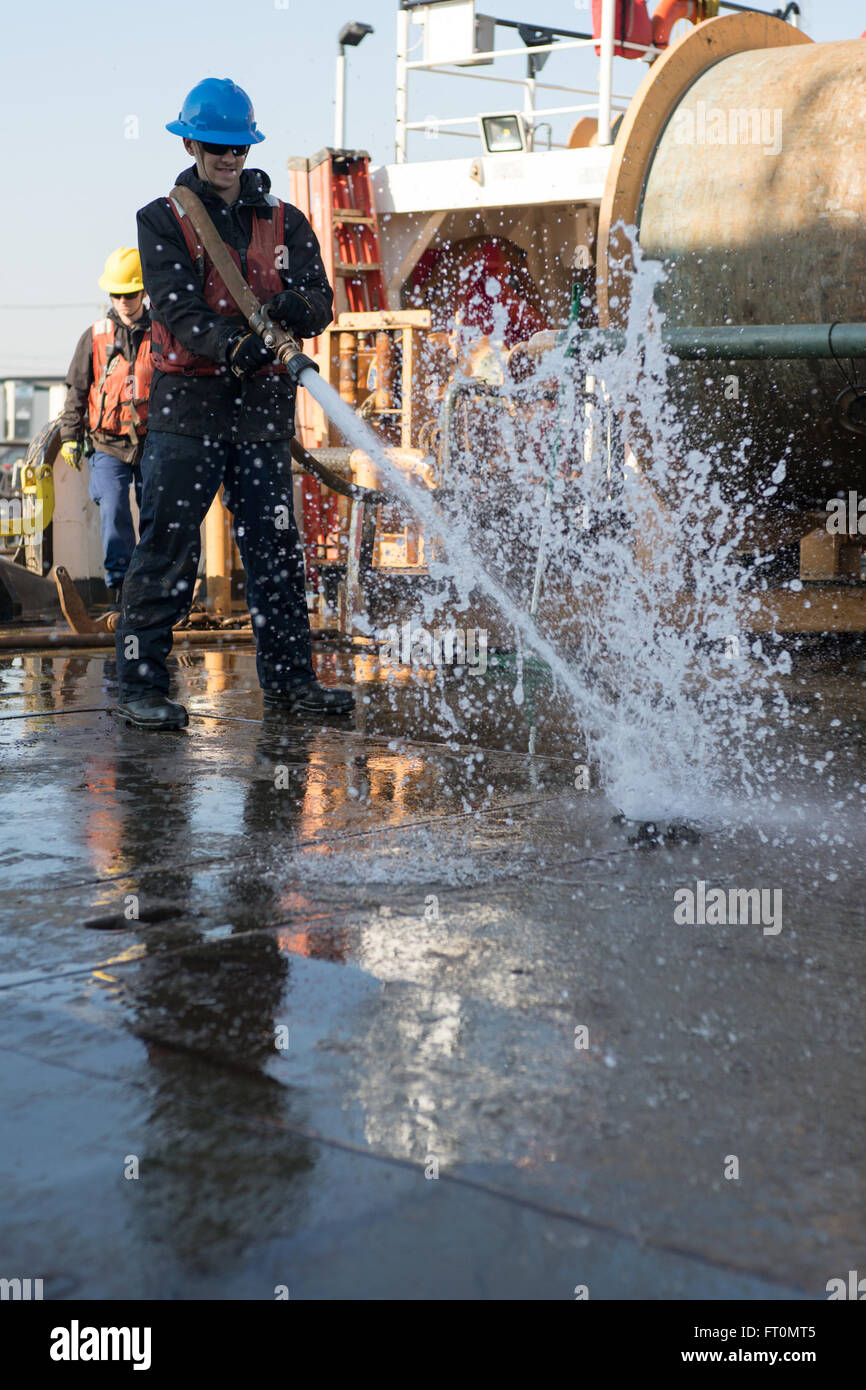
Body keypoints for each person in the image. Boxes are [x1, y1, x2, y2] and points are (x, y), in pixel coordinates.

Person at [114, 78, 354, 730]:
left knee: (275, 554)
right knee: (167, 552)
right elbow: (176, 309)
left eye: (238, 148)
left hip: (260, 414)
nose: (227, 159)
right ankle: (139, 689)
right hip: (187, 410)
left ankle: (292, 686)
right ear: (191, 142)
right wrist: (233, 346)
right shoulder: (162, 220)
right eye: (216, 147)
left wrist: (288, 310)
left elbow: (319, 302)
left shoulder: (285, 220)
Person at [59, 248, 152, 603]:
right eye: (116, 294)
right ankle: (121, 589)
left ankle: (154, 588)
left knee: (156, 514)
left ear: (143, 292)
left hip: (151, 443)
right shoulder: (95, 336)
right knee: (113, 509)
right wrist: (69, 437)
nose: (123, 301)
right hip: (106, 444)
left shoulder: (162, 332)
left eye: (129, 293)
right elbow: (77, 390)